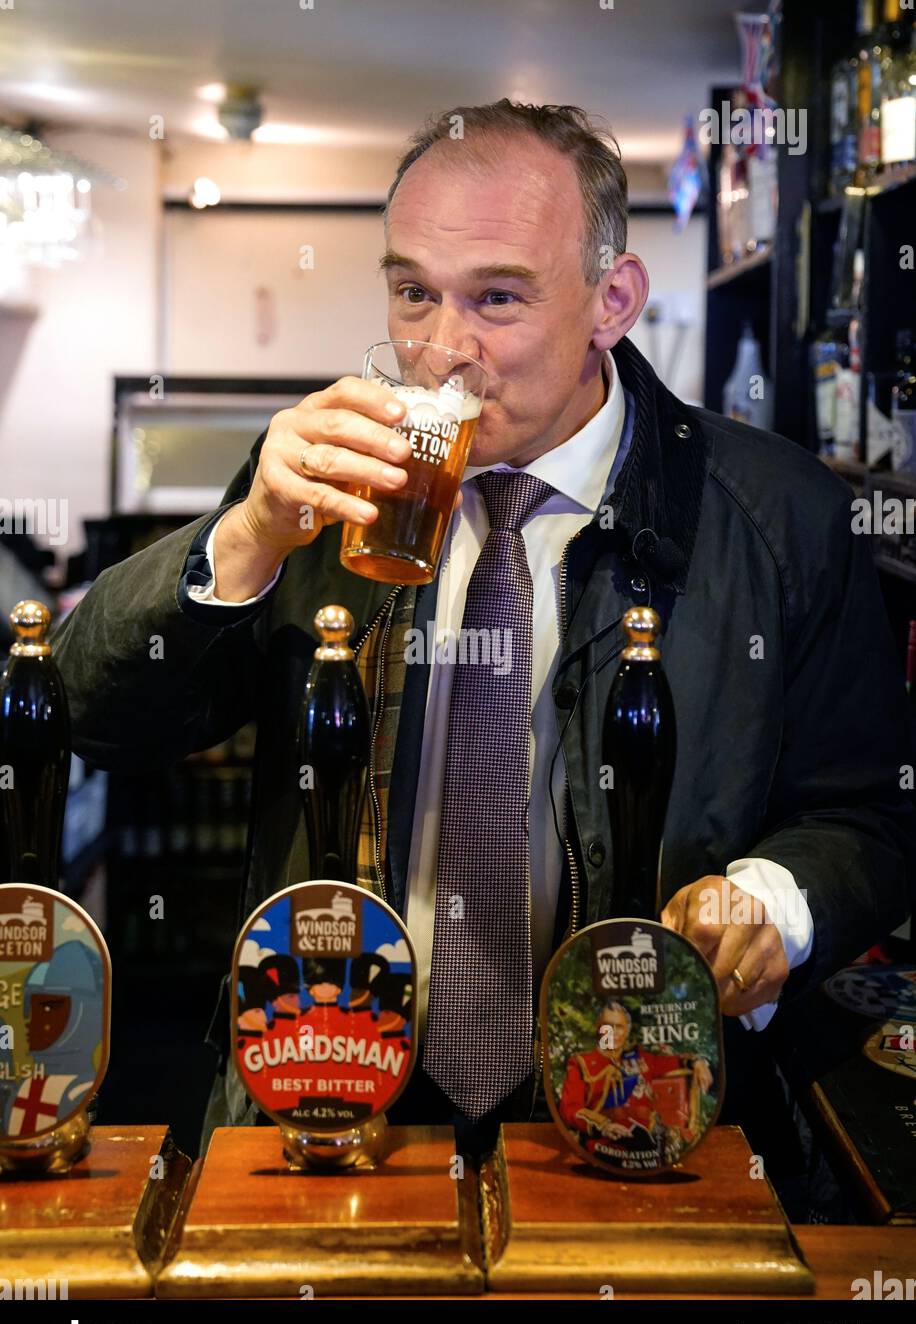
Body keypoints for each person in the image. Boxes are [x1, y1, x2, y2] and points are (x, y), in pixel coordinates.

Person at [52, 101, 915, 1164]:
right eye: (413, 290)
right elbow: (89, 721)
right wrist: (244, 539)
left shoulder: (776, 514)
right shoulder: (328, 490)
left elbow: (868, 813)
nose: (439, 352)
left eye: (495, 298)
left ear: (613, 300)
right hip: (333, 1087)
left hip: (632, 1099)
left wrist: (773, 905)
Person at [558, 1001, 712, 1168]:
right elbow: (570, 1109)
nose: (613, 1033)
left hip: (649, 1147)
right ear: (598, 1027)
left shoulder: (641, 1058)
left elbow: (674, 1062)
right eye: (607, 1026)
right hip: (605, 1146)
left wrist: (697, 1062)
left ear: (627, 1031)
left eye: (619, 1027)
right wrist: (603, 1125)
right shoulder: (581, 1063)